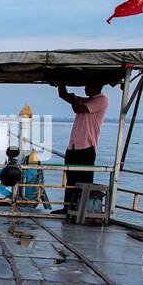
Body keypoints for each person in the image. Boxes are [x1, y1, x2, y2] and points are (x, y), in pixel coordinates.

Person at [54, 82, 109, 213]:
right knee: (71, 180)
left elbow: (78, 109)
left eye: (87, 86)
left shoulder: (101, 100)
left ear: (96, 86)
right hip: (73, 146)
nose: (85, 88)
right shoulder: (87, 100)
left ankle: (80, 208)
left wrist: (73, 99)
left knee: (83, 181)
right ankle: (67, 207)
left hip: (86, 147)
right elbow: (63, 95)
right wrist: (61, 83)